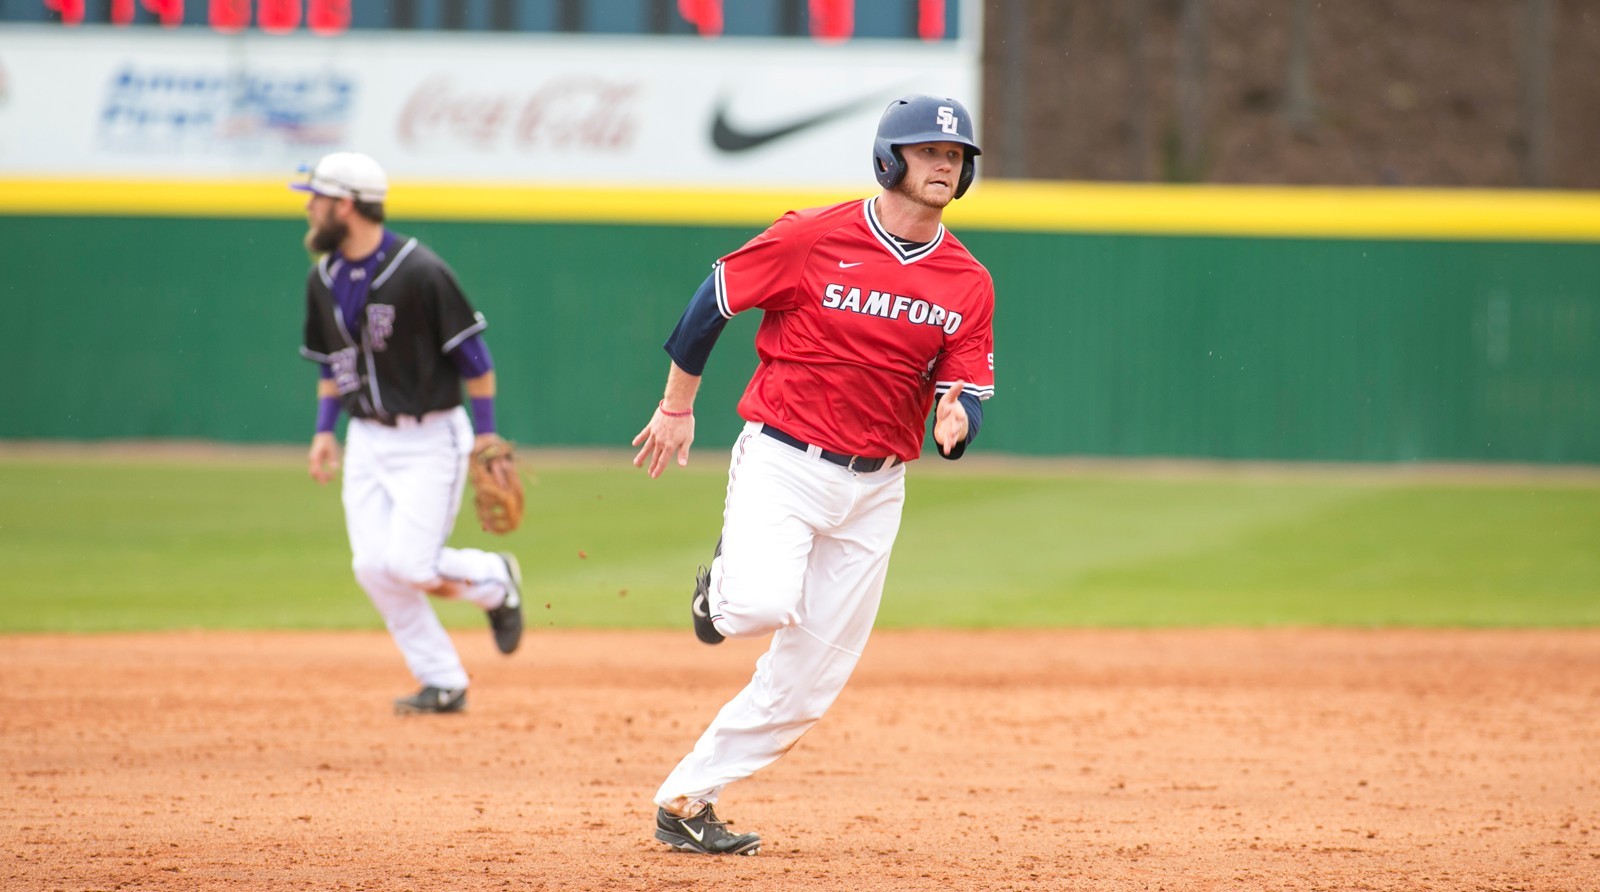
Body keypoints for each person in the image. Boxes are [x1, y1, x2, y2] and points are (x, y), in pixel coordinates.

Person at [630, 95, 996, 855]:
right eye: (929, 152)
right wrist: (676, 406)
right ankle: (718, 594)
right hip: (785, 459)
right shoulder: (812, 235)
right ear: (889, 159)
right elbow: (716, 299)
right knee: (759, 604)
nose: (943, 166)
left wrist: (957, 425)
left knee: (811, 681)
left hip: (877, 487)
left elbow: (966, 391)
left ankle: (687, 799)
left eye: (954, 157)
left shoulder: (967, 280)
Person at [294, 151, 525, 716]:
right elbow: (333, 363)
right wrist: (326, 432)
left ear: (346, 205)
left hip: (431, 438)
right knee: (373, 567)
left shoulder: (419, 270)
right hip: (367, 440)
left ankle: (495, 578)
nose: (309, 207)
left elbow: (477, 360)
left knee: (412, 566)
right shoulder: (322, 279)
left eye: (317, 198)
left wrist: (486, 436)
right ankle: (442, 680)